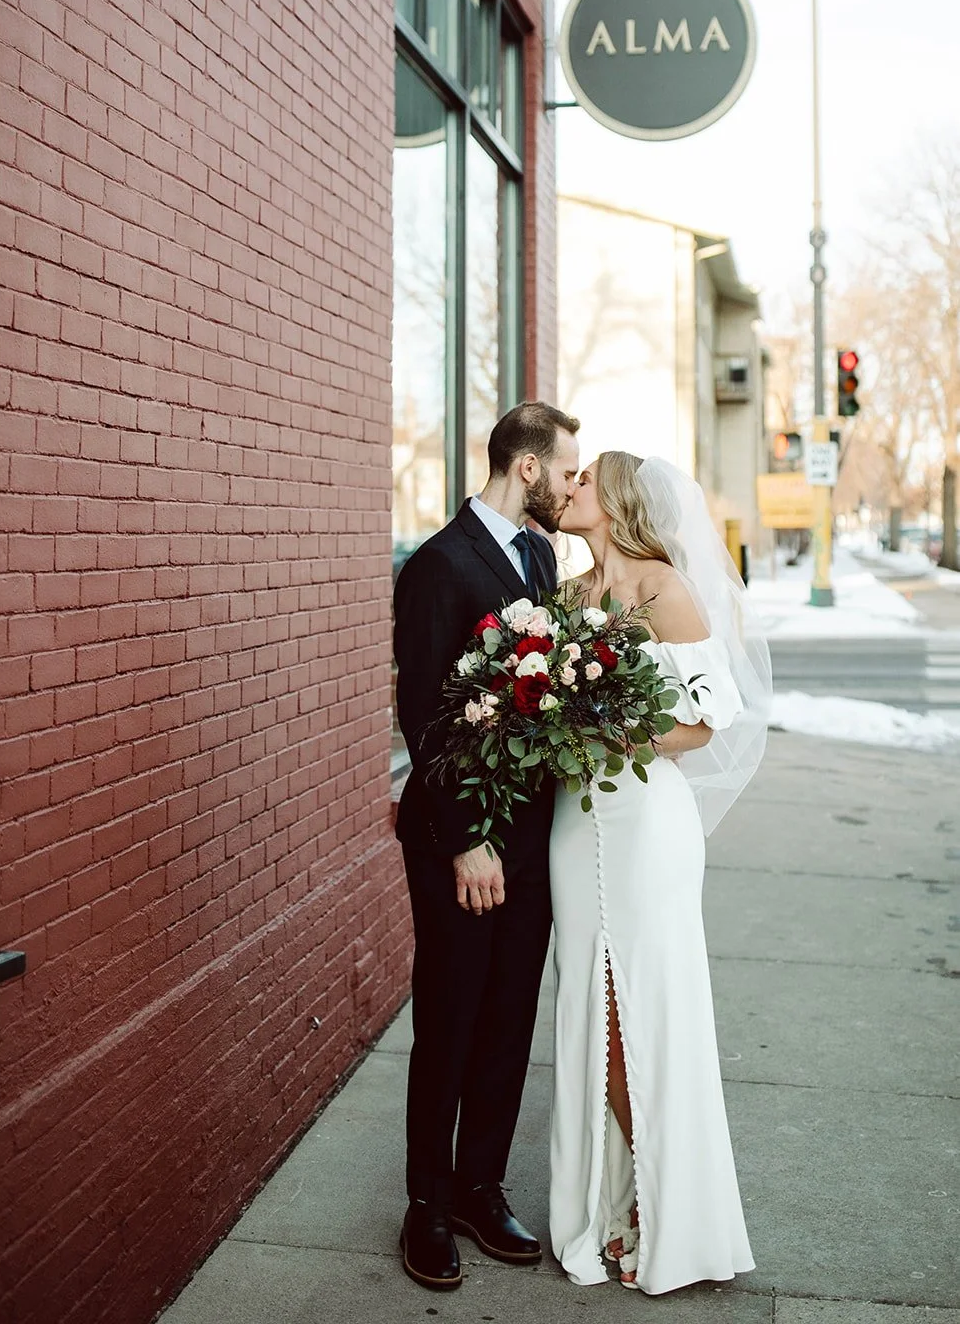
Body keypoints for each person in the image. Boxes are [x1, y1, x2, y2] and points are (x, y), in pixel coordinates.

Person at [550, 451, 771, 1294]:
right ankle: (604, 1213)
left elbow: (709, 720)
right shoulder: (569, 600)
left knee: (642, 1011)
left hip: (647, 823)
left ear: (613, 501)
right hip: (576, 828)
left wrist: (619, 739)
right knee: (588, 1012)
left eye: (580, 481)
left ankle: (662, 1213)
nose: (567, 490)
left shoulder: (659, 589)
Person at [392, 401, 581, 1291]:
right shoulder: (437, 565)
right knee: (451, 1019)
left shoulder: (540, 555)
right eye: (566, 468)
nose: (571, 484)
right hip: (456, 842)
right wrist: (469, 842)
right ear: (529, 468)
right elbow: (423, 716)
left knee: (508, 1020)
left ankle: (479, 1187)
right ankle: (425, 1205)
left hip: (533, 835)